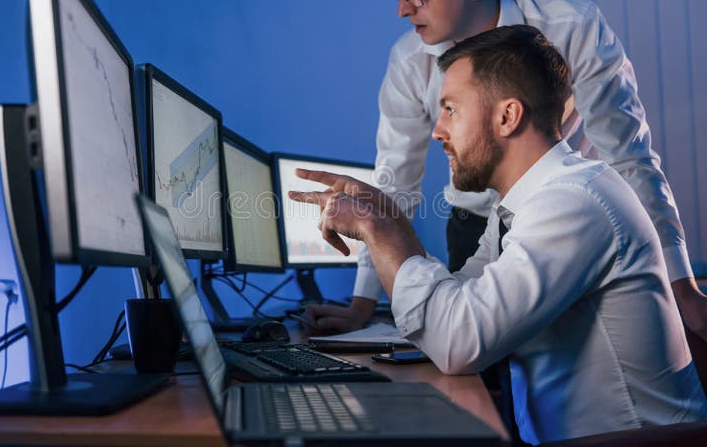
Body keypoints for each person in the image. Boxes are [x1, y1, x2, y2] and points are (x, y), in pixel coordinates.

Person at [290, 25, 707, 445]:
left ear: (507, 116)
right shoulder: (526, 203)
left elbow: (456, 342)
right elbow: (457, 302)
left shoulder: (573, 204)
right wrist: (392, 220)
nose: (437, 130)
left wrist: (375, 230)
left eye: (451, 109)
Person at [305, 0, 707, 343]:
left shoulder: (571, 26)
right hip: (477, 227)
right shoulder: (409, 60)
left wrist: (681, 286)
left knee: (558, 347)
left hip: (567, 216)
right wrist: (363, 303)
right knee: (473, 346)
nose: (402, 9)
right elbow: (397, 182)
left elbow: (629, 158)